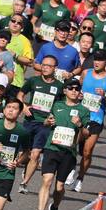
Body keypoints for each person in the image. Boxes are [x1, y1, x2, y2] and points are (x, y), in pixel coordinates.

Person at [33, 79, 89, 210]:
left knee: (59, 187)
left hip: (68, 153)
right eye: (71, 88)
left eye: (77, 88)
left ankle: (55, 207)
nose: (74, 91)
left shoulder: (84, 111)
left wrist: (80, 124)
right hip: (52, 148)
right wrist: (47, 122)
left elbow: (86, 134)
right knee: (47, 180)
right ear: (65, 91)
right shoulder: (57, 105)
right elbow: (46, 122)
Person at [18, 55, 64, 194]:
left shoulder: (59, 86)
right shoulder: (33, 80)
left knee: (36, 154)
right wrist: (23, 106)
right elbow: (20, 94)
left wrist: (54, 116)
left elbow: (61, 105)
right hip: (30, 120)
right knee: (23, 155)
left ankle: (24, 183)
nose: (45, 68)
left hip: (45, 124)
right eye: (43, 65)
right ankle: (25, 167)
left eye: (49, 66)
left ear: (55, 68)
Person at [73, 50, 106, 193]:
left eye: (100, 60)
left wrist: (105, 96)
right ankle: (72, 169)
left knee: (87, 152)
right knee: (73, 146)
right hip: (80, 115)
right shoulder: (86, 73)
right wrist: (78, 95)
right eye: (95, 59)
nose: (97, 62)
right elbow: (75, 89)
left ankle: (80, 178)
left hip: (96, 119)